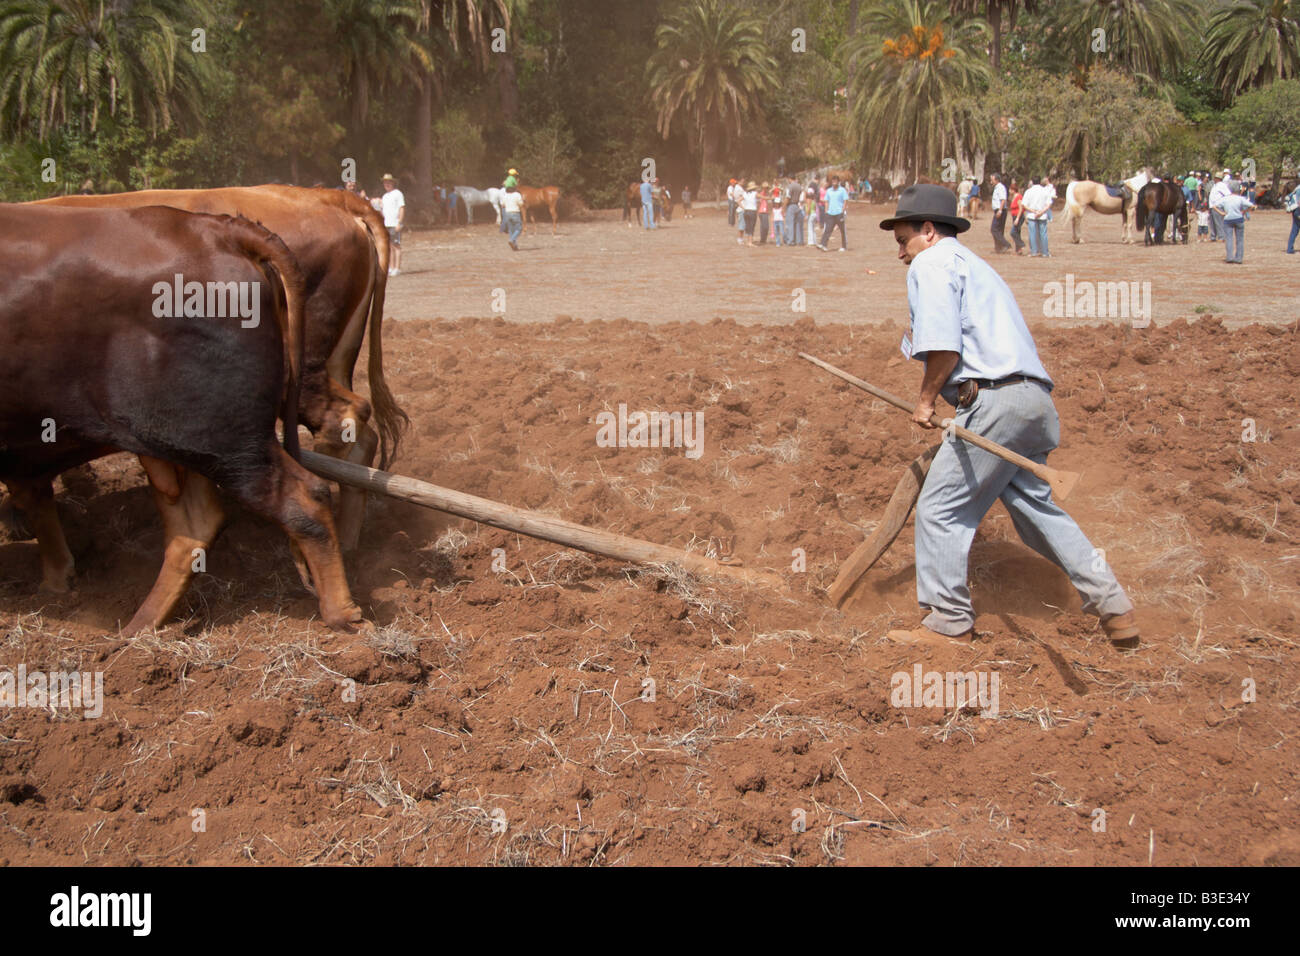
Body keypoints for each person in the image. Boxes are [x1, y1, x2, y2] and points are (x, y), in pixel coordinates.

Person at [877, 184, 1139, 650]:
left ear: (929, 231)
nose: (900, 253)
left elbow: (944, 347)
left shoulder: (931, 264)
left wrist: (924, 401)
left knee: (942, 507)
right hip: (1033, 402)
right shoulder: (976, 267)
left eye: (903, 240)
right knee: (1038, 510)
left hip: (993, 401)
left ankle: (948, 622)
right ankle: (1114, 605)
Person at [1214, 181, 1255, 264]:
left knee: (1229, 239)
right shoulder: (1240, 198)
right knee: (1239, 240)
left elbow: (1214, 206)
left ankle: (1229, 257)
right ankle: (1239, 258)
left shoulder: (1225, 198)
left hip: (1228, 219)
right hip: (1239, 219)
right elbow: (1252, 206)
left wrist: (1222, 213)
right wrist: (1244, 211)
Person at [380, 173, 405, 276]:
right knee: (389, 246)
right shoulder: (384, 196)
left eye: (389, 182)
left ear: (393, 183)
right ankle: (391, 267)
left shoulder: (398, 193)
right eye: (385, 182)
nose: (387, 184)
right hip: (386, 224)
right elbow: (383, 210)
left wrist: (399, 222)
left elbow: (402, 208)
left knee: (396, 246)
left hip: (395, 223)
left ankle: (397, 268)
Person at [1024, 175, 1053, 257]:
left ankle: (1034, 252)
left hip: (1032, 215)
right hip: (1042, 214)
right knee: (1043, 234)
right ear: (1040, 181)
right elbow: (1049, 204)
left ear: (1032, 182)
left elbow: (1024, 205)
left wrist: (1033, 211)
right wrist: (1041, 212)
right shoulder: (1045, 191)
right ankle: (1045, 252)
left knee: (1032, 234)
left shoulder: (1028, 191)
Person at [819, 175, 849, 251]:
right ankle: (823, 245)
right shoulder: (829, 191)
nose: (834, 182)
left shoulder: (842, 190)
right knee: (827, 230)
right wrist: (826, 211)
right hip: (830, 213)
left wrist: (842, 211)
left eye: (835, 181)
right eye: (833, 181)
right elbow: (826, 201)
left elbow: (845, 201)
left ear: (838, 182)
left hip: (839, 213)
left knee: (842, 231)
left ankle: (844, 246)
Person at [989, 173, 1010, 253]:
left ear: (997, 180)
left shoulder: (1000, 187)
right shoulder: (997, 188)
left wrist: (1000, 210)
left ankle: (1005, 244)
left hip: (1000, 210)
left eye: (992, 180)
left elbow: (1003, 199)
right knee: (999, 230)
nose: (991, 182)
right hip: (998, 210)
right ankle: (998, 248)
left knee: (994, 229)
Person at [1208, 170, 1231, 242]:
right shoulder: (1215, 185)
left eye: (1215, 178)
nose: (1214, 179)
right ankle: (1213, 236)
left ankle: (1221, 237)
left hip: (1218, 207)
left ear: (1218, 178)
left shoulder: (1222, 185)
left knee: (1219, 222)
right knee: (1212, 223)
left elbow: (1228, 195)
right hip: (1212, 207)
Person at [501, 183, 525, 250]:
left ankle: (515, 246)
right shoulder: (517, 195)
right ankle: (512, 240)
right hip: (515, 213)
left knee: (511, 230)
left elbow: (502, 205)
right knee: (519, 229)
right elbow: (521, 204)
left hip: (507, 213)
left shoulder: (505, 195)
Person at [1008, 179, 1026, 255]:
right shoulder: (1013, 197)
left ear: (1013, 190)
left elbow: (1021, 208)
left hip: (1019, 216)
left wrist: (1018, 218)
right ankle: (1018, 250)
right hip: (1014, 216)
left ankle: (1021, 244)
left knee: (1013, 232)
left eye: (1010, 189)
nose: (1009, 191)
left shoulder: (1019, 197)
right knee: (1017, 232)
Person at [741, 180, 759, 246]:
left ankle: (748, 241)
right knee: (752, 226)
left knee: (748, 226)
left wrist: (743, 207)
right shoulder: (755, 193)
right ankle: (750, 242)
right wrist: (770, 198)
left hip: (746, 211)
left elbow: (738, 200)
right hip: (752, 211)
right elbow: (763, 197)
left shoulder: (745, 193)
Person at [1284, 180, 1300, 254]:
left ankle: (1290, 248)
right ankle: (1290, 249)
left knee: (1294, 230)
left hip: (1294, 210)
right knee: (1295, 230)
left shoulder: (1296, 189)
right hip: (1298, 210)